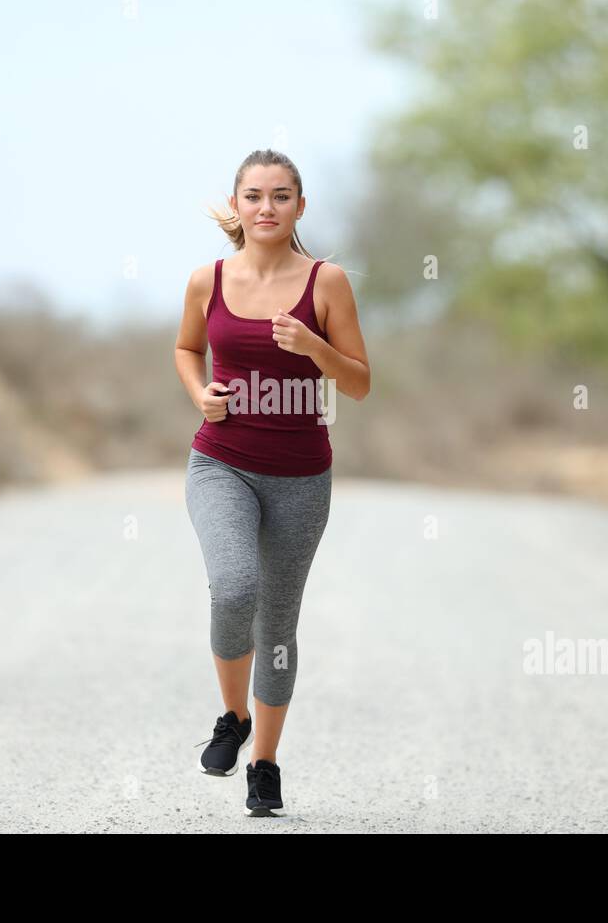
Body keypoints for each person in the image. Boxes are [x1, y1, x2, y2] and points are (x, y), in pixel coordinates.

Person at [173, 149, 371, 816]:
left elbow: (361, 383)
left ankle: (264, 764)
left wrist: (314, 348)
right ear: (236, 206)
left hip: (300, 476)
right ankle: (233, 719)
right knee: (234, 587)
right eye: (254, 196)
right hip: (220, 462)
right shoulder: (208, 279)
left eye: (281, 196)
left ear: (300, 207)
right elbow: (184, 348)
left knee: (278, 624)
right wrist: (201, 395)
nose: (266, 208)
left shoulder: (327, 283)